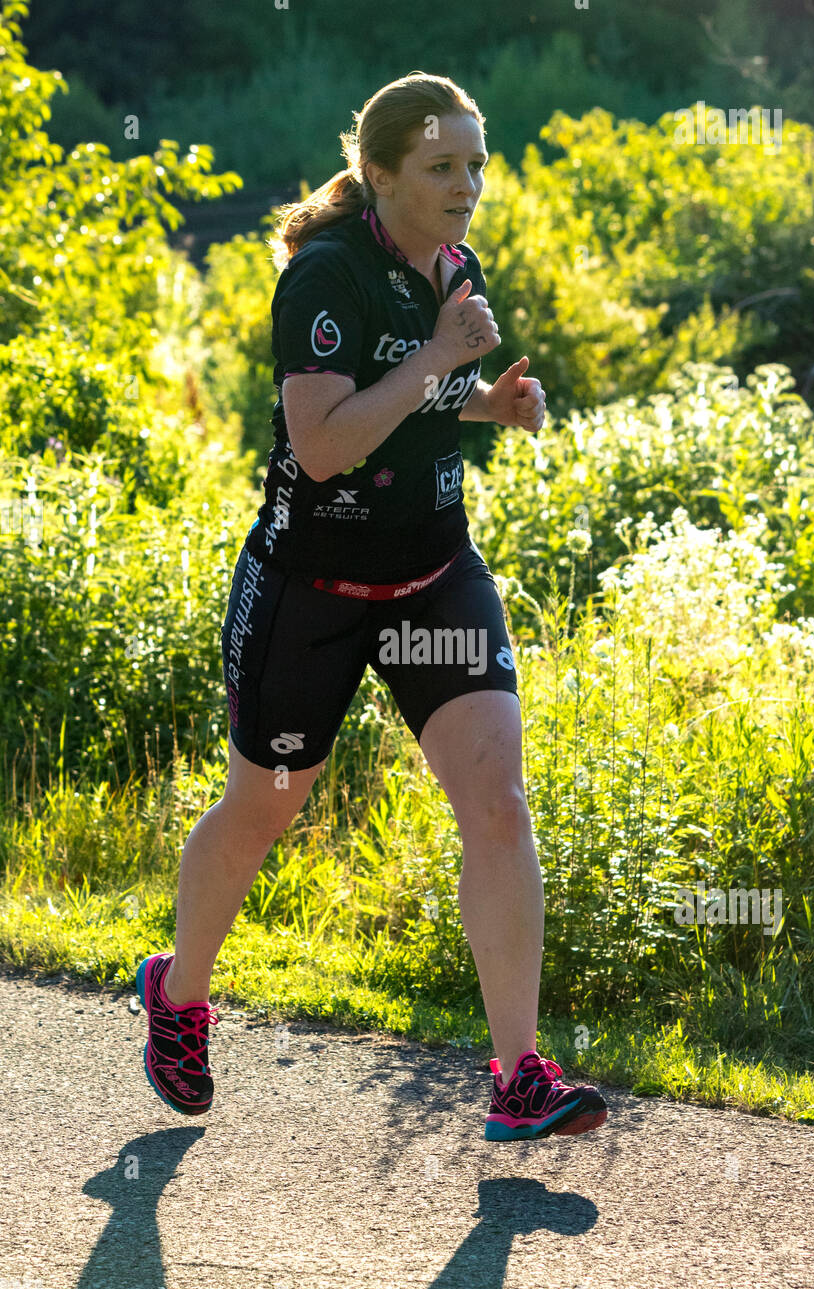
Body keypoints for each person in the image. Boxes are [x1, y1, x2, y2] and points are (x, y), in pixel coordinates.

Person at [136, 72, 608, 1142]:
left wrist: (489, 403)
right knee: (265, 807)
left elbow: (417, 400)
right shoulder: (323, 277)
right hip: (314, 588)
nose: (467, 186)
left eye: (476, 165)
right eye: (443, 167)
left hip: (434, 574)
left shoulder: (450, 265)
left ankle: (517, 1072)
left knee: (495, 798)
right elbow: (325, 442)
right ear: (380, 172)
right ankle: (176, 992)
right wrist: (447, 357)